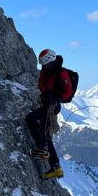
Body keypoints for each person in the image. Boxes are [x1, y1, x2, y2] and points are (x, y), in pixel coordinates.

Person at [25, 48, 74, 180]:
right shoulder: (45, 71)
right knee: (45, 133)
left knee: (30, 118)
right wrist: (47, 94)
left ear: (51, 62)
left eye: (46, 64)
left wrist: (57, 98)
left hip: (54, 106)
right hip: (48, 103)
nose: (44, 67)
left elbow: (68, 91)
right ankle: (56, 167)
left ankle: (42, 146)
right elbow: (41, 85)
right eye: (43, 65)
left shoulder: (61, 73)